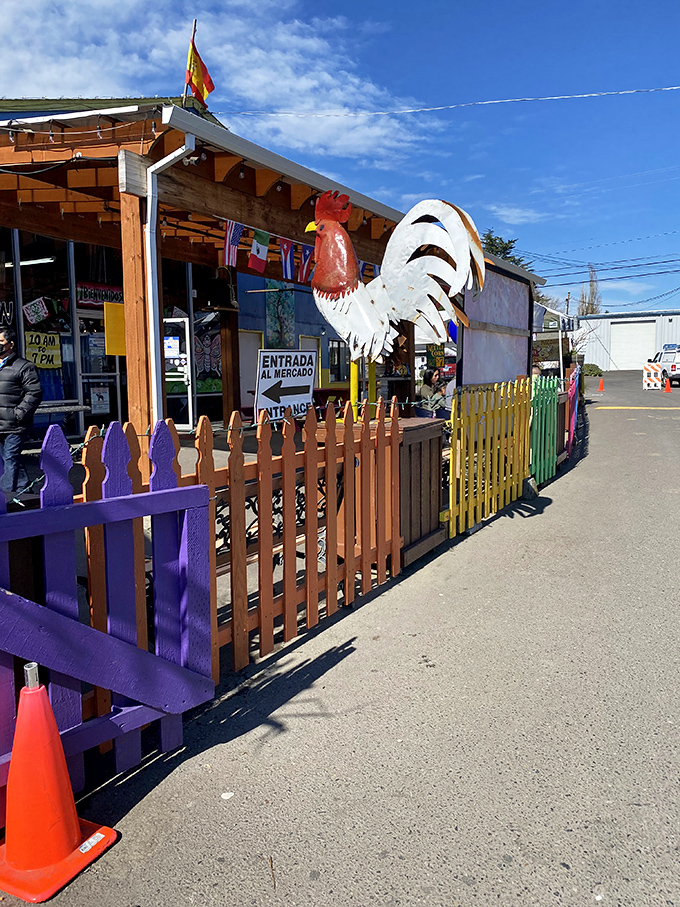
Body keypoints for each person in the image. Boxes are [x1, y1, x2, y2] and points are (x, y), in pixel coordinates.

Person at [0, 327, 42, 496]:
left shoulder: (24, 366)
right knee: (9, 459)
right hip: (1, 423)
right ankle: (26, 490)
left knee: (10, 458)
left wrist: (19, 414)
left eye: (1, 342)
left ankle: (6, 496)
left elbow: (34, 392)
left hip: (15, 424)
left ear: (10, 344)